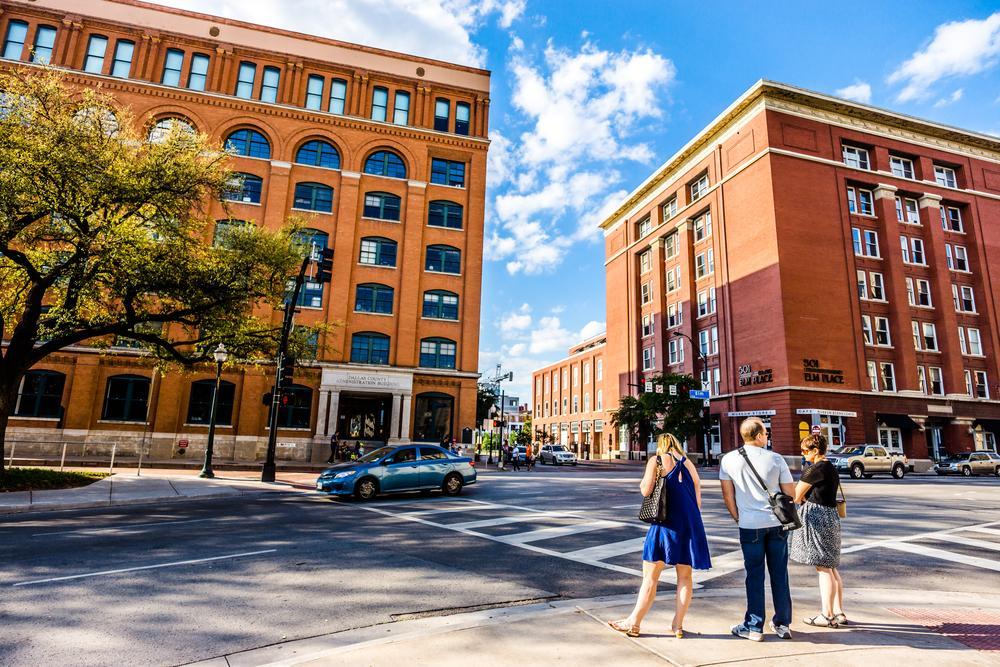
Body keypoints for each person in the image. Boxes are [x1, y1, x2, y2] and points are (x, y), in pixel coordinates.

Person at [609, 434, 711, 639]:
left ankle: (634, 623)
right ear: (677, 444)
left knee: (650, 577)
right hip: (690, 524)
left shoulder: (656, 460)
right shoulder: (688, 462)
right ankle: (678, 626)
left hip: (665, 524)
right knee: (685, 577)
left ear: (660, 445)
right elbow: (697, 491)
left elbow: (646, 491)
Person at [720, 417, 796, 642]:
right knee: (779, 574)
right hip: (776, 524)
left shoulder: (729, 460)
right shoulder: (776, 459)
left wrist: (737, 517)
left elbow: (727, 495)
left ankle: (754, 627)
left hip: (749, 524)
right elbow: (789, 492)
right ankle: (783, 624)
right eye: (766, 432)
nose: (768, 436)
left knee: (753, 576)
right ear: (759, 435)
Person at [790, 434, 847, 628]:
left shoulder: (814, 469)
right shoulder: (830, 467)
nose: (803, 454)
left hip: (817, 518)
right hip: (831, 516)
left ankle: (827, 614)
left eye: (805, 451)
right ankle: (839, 612)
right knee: (831, 566)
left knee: (823, 567)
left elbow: (796, 496)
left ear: (815, 451)